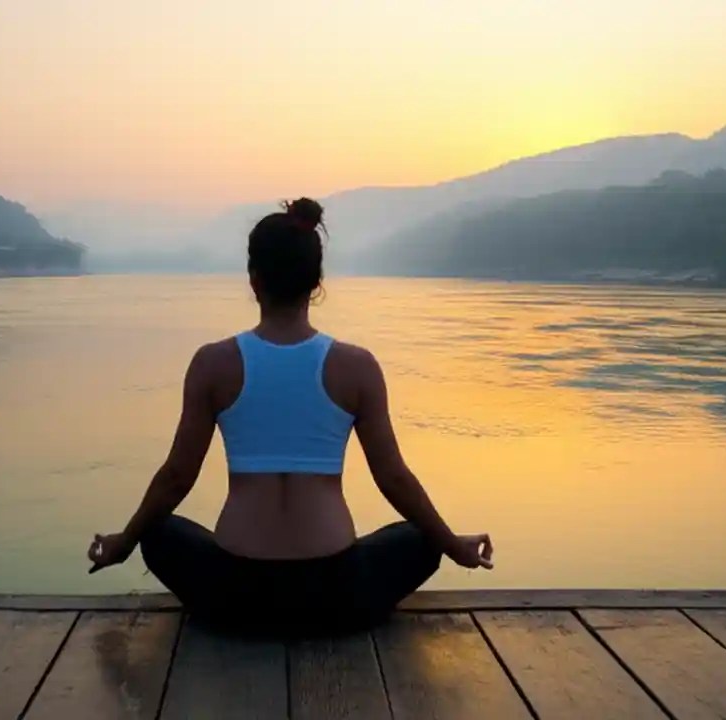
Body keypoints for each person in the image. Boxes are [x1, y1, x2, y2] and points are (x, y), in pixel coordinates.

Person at [87, 198, 492, 635]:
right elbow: (393, 478)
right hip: (336, 595)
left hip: (234, 596)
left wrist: (124, 542)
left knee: (158, 531)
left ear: (254, 280)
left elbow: (176, 478)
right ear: (316, 283)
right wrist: (452, 545)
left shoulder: (213, 363)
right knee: (422, 539)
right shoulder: (356, 366)